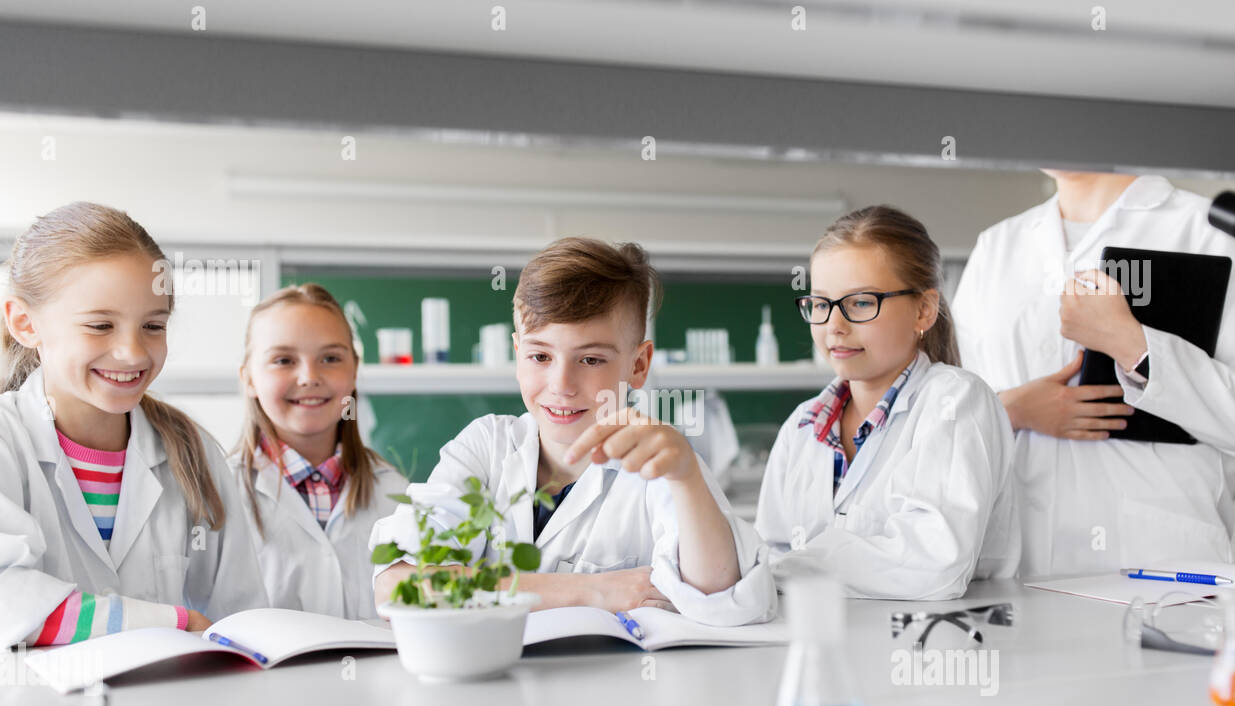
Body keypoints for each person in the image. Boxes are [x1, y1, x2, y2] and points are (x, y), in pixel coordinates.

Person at [370, 237, 775, 626]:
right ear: (518, 354)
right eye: (540, 356)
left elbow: (724, 599)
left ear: (638, 365)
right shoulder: (486, 447)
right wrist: (593, 590)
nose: (561, 385)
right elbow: (398, 587)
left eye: (591, 359)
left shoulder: (661, 462)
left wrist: (686, 478)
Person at [953, 171, 1235, 577]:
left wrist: (1134, 347)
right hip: (1012, 573)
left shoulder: (1208, 231)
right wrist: (1009, 410)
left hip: (1154, 570)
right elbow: (950, 419)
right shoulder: (996, 247)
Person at [0, 201, 268, 648]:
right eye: (100, 325)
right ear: (25, 323)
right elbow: (9, 604)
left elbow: (243, 617)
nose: (133, 353)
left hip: (177, 693)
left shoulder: (192, 451)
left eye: (153, 326)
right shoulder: (8, 441)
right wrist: (171, 622)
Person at [755, 205, 1019, 599]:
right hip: (817, 632)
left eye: (861, 303)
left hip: (942, 635)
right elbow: (770, 550)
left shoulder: (956, 402)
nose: (834, 326)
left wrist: (778, 572)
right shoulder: (802, 425)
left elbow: (933, 565)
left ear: (923, 311)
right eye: (822, 304)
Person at [229, 283, 407, 620]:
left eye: (330, 358)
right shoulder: (216, 495)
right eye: (283, 360)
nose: (309, 377)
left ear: (354, 371)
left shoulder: (396, 494)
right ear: (248, 378)